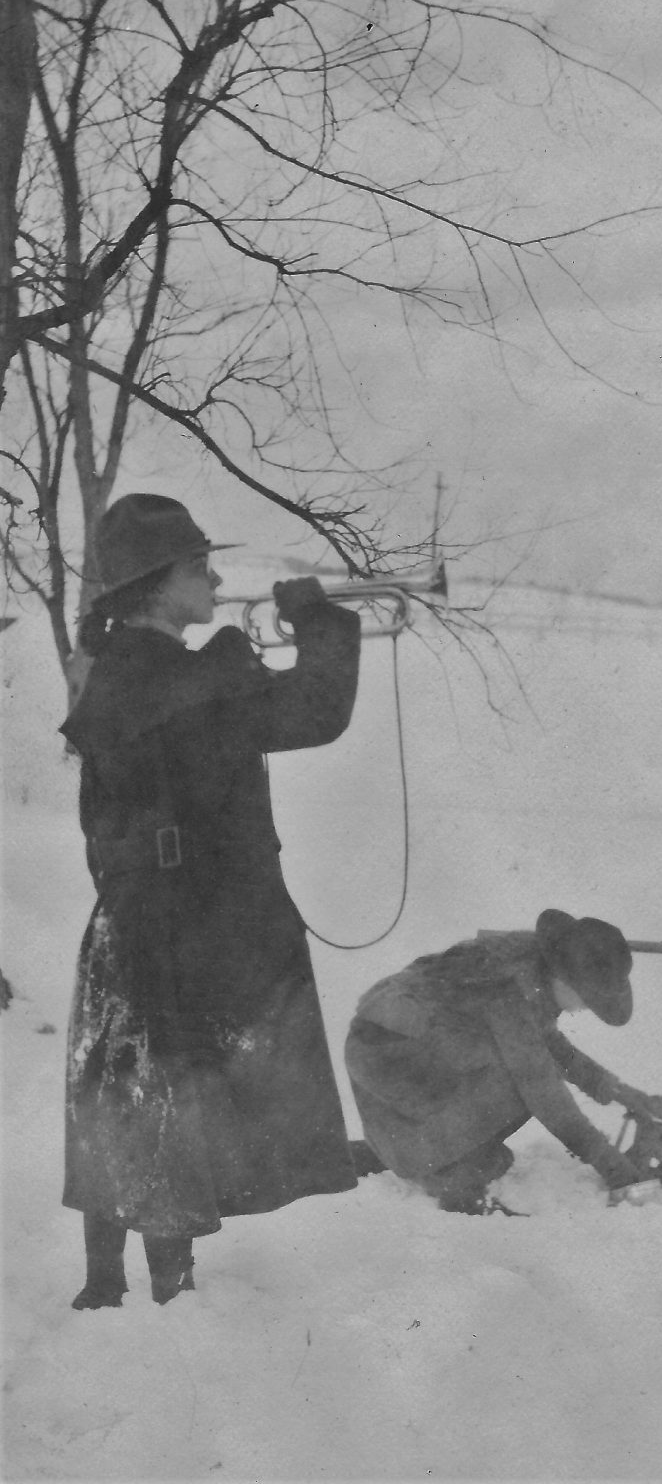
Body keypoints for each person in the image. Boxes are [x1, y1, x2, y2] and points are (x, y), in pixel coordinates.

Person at [60, 492, 362, 1308]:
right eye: (201, 566)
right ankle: (171, 1299)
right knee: (175, 1096)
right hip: (188, 927)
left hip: (132, 920)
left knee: (120, 1096)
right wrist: (319, 622)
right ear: (160, 585)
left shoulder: (127, 669)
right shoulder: (179, 678)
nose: (219, 578)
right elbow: (317, 711)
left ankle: (107, 1288)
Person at [344, 910, 662, 1213]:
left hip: (405, 1050)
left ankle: (433, 1156)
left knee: (509, 1079)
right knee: (520, 1084)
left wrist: (620, 1091)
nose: (582, 1009)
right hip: (389, 1057)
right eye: (585, 999)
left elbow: (552, 1046)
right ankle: (453, 1183)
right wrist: (615, 1168)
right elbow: (546, 1095)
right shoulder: (510, 986)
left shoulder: (534, 968)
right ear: (564, 980)